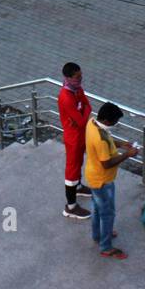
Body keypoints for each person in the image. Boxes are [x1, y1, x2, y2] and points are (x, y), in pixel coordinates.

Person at [85, 102, 137, 259]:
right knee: (107, 214)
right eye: (115, 122)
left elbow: (107, 141)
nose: (116, 124)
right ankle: (106, 246)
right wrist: (127, 155)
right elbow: (106, 163)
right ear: (107, 121)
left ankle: (98, 234)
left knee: (97, 209)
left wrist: (121, 144)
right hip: (102, 180)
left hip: (92, 176)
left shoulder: (92, 123)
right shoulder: (100, 138)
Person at [58, 62, 92, 220]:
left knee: (78, 163)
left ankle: (78, 186)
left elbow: (88, 106)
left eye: (80, 75)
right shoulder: (66, 97)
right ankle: (71, 206)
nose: (80, 79)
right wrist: (83, 112)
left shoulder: (76, 89)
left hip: (79, 135)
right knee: (71, 170)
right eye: (77, 77)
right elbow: (82, 119)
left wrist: (83, 112)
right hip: (73, 138)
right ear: (69, 78)